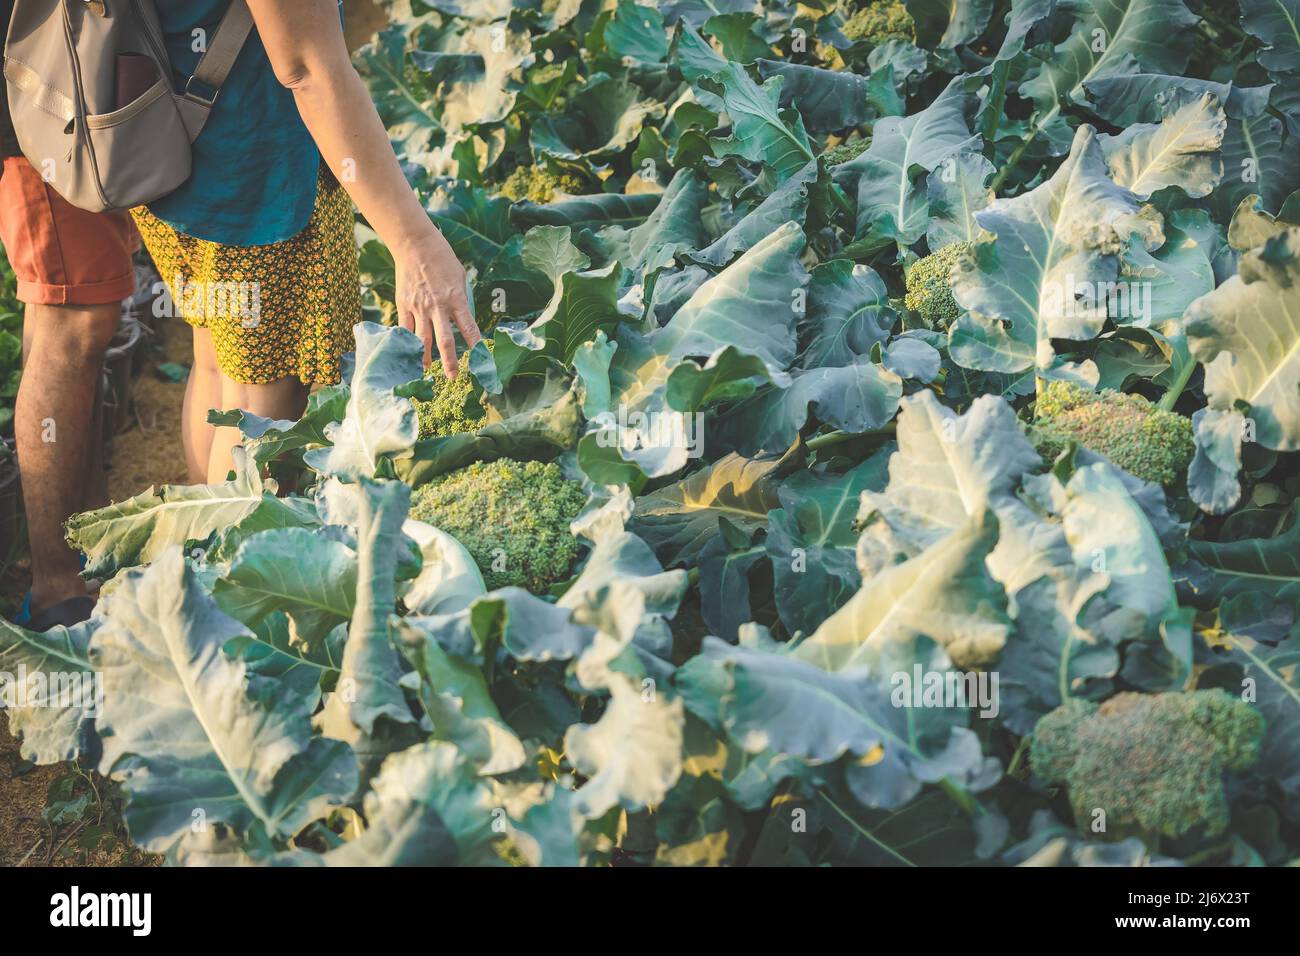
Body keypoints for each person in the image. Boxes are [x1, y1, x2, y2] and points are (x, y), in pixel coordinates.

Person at [134, 0, 480, 485]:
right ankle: (228, 554)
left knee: (219, 369)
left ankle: (203, 545)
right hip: (259, 177)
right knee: (262, 403)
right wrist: (414, 241)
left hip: (172, 147)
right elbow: (308, 67)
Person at [1, 0, 137, 630]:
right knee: (72, 322)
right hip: (45, 100)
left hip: (61, 88)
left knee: (65, 316)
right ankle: (59, 588)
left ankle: (83, 549)